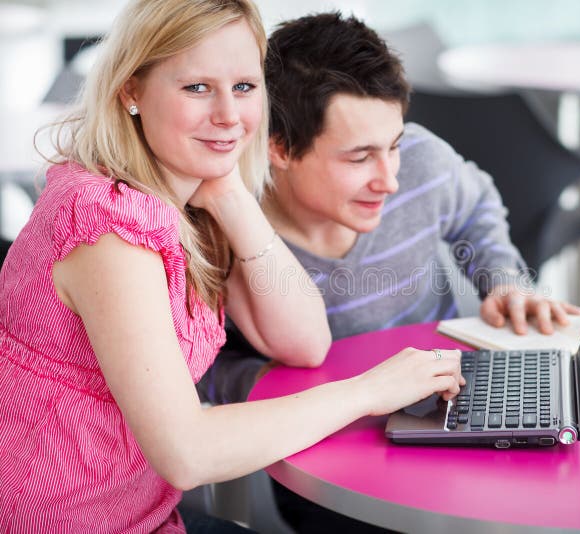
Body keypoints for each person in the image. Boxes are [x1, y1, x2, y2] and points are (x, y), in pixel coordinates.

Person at [0, 1, 463, 532]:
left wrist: (231, 196)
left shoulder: (188, 194)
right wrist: (370, 392)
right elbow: (188, 453)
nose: (228, 115)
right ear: (131, 90)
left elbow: (304, 340)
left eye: (244, 87)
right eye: (197, 87)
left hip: (140, 515)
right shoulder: (106, 227)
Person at [202, 11, 580, 405]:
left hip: (449, 404)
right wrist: (273, 387)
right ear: (279, 148)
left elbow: (476, 208)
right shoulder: (227, 230)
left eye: (393, 145)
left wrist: (503, 280)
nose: (391, 181)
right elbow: (202, 368)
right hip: (320, 441)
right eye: (359, 157)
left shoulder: (422, 162)